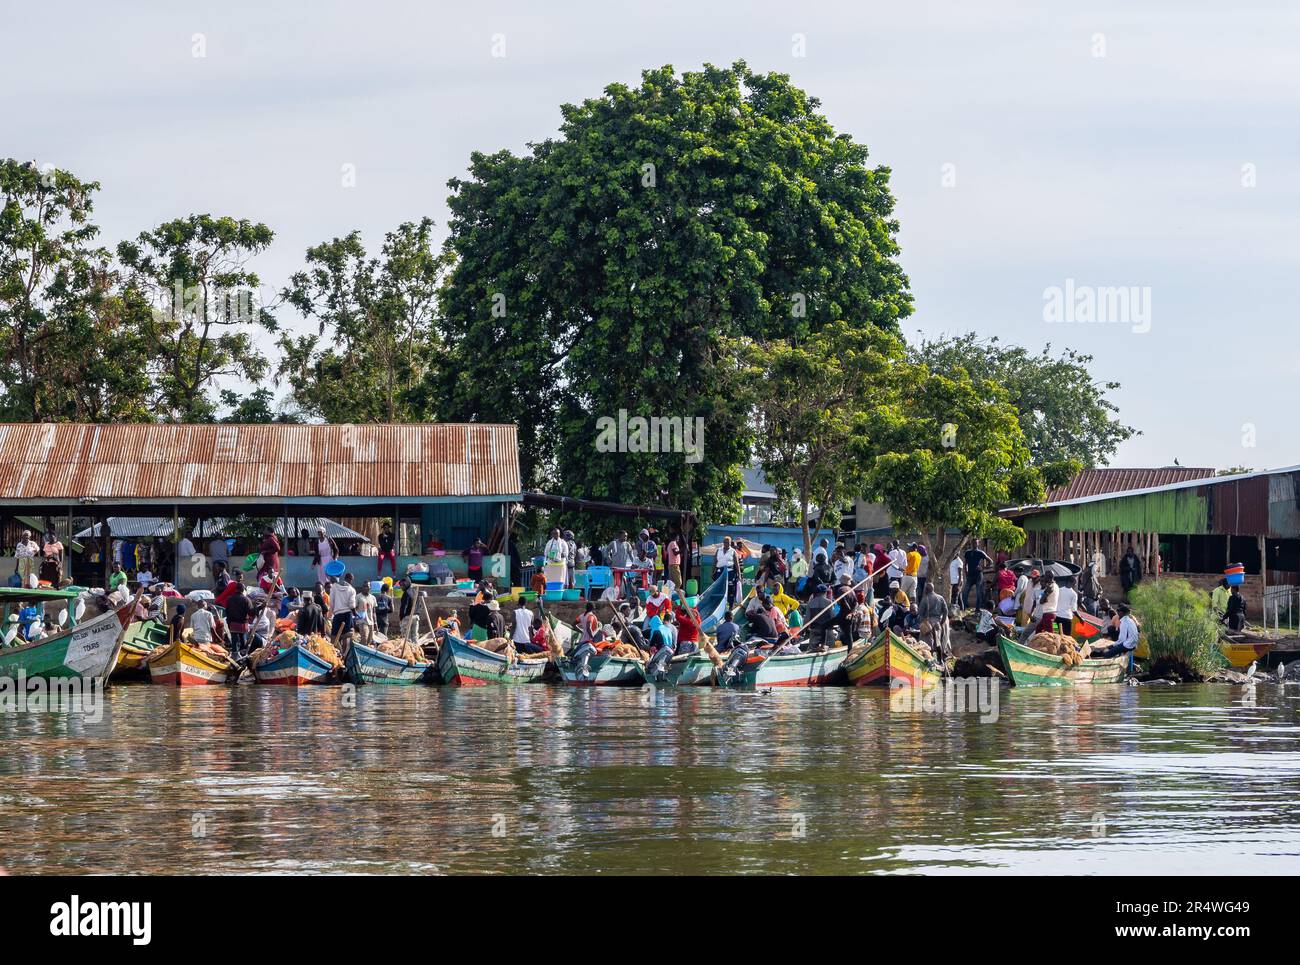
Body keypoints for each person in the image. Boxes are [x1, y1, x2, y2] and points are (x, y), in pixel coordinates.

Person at [917, 582, 951, 659]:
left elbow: (920, 614)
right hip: (938, 623)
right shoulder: (940, 598)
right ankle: (941, 660)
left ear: (926, 589)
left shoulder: (925, 599)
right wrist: (942, 622)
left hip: (928, 624)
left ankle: (928, 660)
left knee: (926, 645)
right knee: (938, 643)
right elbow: (946, 611)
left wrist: (921, 623)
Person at [225, 580, 252, 657]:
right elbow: (251, 612)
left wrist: (229, 623)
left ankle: (235, 656)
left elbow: (227, 612)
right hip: (243, 625)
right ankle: (243, 656)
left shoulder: (229, 599)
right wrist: (260, 607)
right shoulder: (246, 600)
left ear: (236, 589)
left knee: (234, 642)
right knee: (243, 642)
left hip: (233, 624)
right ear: (243, 590)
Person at [961, 542, 992, 610]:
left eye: (976, 543)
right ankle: (964, 608)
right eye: (973, 543)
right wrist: (965, 572)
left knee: (979, 592)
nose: (974, 544)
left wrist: (983, 568)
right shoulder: (967, 553)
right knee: (965, 592)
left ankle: (978, 608)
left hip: (978, 575)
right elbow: (965, 564)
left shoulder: (980, 552)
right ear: (971, 544)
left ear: (978, 544)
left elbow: (990, 561)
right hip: (970, 576)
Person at [329, 573, 357, 643]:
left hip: (337, 614)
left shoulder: (334, 586)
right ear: (351, 580)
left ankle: (335, 651)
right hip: (347, 614)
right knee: (348, 634)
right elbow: (352, 605)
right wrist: (355, 613)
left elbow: (331, 601)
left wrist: (331, 613)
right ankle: (343, 648)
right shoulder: (352, 590)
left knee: (333, 635)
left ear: (345, 578)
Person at [353, 584, 376, 649]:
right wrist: (355, 620)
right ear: (362, 587)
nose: (366, 588)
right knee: (364, 639)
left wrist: (375, 623)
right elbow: (354, 608)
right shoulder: (358, 597)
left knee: (369, 640)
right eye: (364, 586)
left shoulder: (373, 597)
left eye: (367, 586)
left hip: (371, 622)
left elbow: (374, 611)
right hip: (362, 621)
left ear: (370, 588)